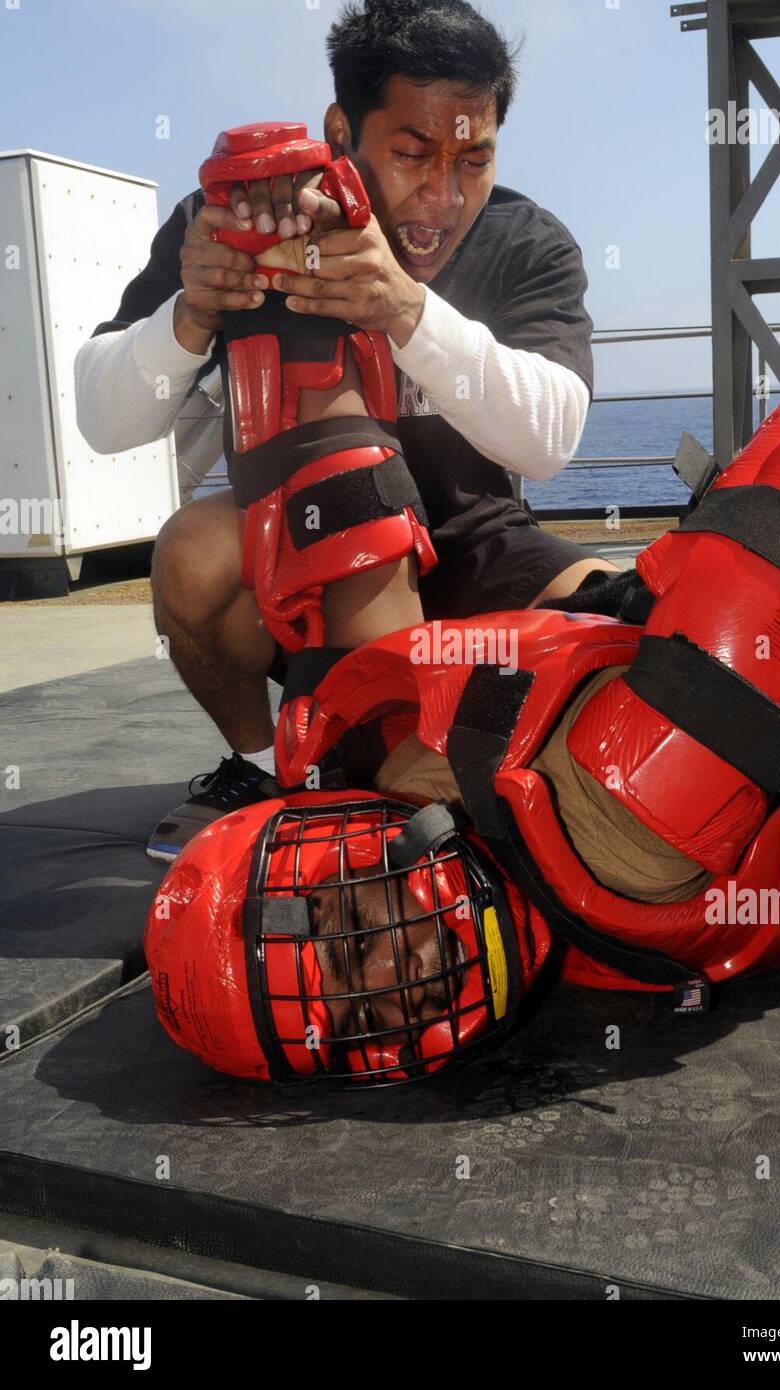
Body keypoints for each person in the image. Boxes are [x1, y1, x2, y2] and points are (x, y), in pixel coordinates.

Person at [146, 372, 780, 1086]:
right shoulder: (397, 741)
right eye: (365, 1017)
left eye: (355, 927)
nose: (403, 970)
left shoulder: (620, 812)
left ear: (324, 834)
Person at [74, 0, 616, 860]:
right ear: (342, 127)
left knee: (621, 631)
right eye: (411, 154)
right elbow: (101, 420)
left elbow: (550, 437)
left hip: (478, 550)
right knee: (192, 551)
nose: (443, 194)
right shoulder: (237, 218)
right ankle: (264, 771)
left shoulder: (527, 242)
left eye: (472, 158)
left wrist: (406, 310)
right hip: (305, 565)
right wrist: (189, 312)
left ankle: (408, 761)